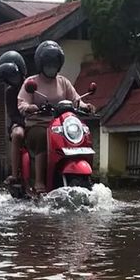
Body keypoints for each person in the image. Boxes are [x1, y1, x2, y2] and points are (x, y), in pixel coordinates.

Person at [17, 40, 95, 193]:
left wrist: (86, 106)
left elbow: (76, 99)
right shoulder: (31, 82)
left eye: (54, 62)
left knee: (85, 135)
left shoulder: (63, 82)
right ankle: (39, 182)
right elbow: (22, 103)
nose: (51, 65)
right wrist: (30, 107)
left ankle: (88, 177)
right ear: (41, 63)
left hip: (61, 125)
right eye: (48, 62)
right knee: (42, 138)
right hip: (39, 124)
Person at [0, 51, 27, 186]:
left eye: (14, 75)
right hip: (19, 122)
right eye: (9, 77)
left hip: (39, 120)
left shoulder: (31, 85)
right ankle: (14, 174)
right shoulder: (10, 92)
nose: (12, 79)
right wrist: (24, 122)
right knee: (17, 134)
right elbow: (13, 114)